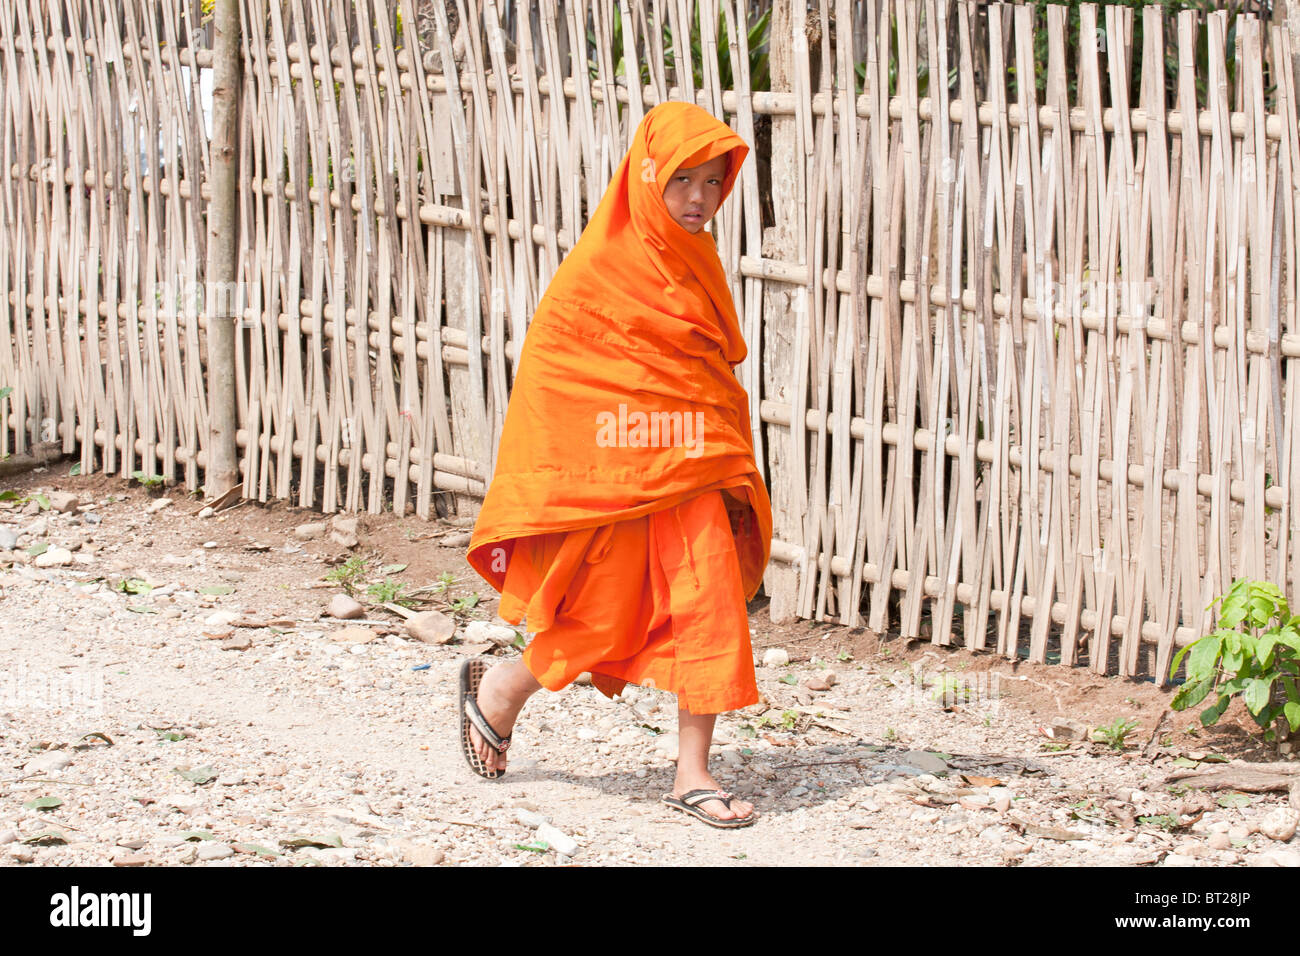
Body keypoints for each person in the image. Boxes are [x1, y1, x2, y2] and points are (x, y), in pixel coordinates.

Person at [461, 101, 772, 829]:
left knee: (711, 604)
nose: (699, 199)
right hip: (617, 482)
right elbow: (562, 378)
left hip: (690, 467)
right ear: (647, 175)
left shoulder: (697, 260)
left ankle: (692, 773)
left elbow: (702, 366)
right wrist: (614, 454)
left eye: (713, 180)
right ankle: (501, 690)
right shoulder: (598, 270)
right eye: (683, 179)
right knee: (602, 615)